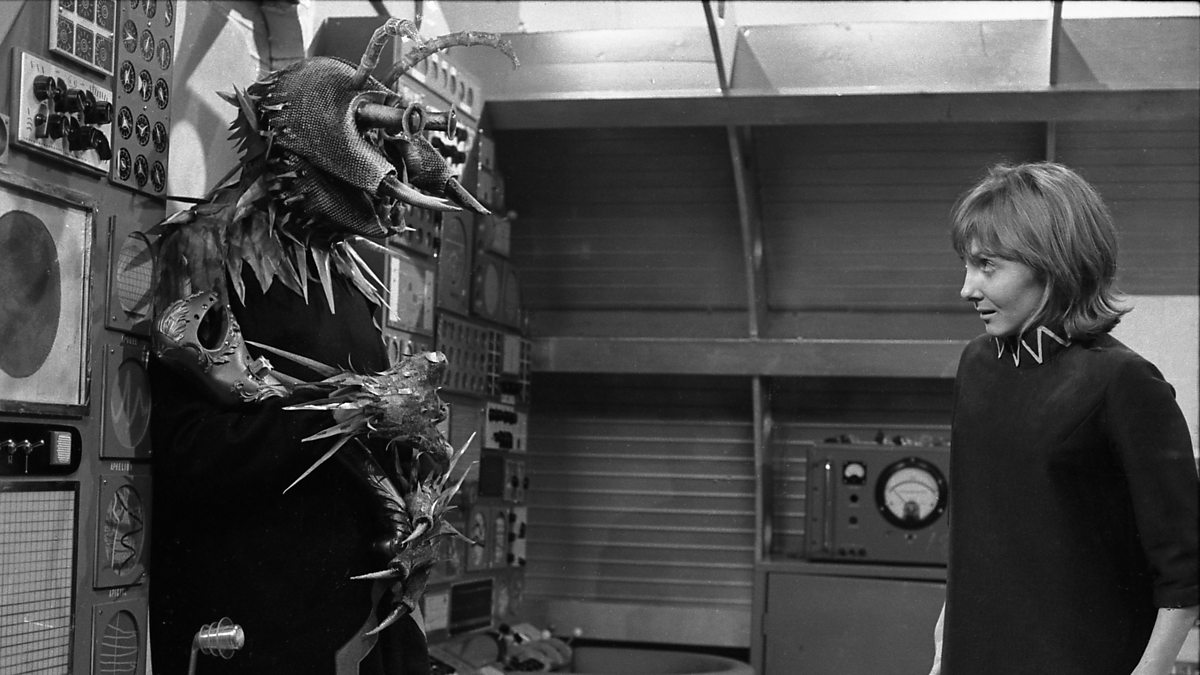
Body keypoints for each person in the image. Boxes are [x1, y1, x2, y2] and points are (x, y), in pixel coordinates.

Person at [928, 162, 1198, 674]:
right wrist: (944, 646)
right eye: (966, 264)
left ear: (1051, 265)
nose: (967, 288)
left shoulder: (1122, 381)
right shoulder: (977, 365)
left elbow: (1185, 568)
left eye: (987, 266)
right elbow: (977, 532)